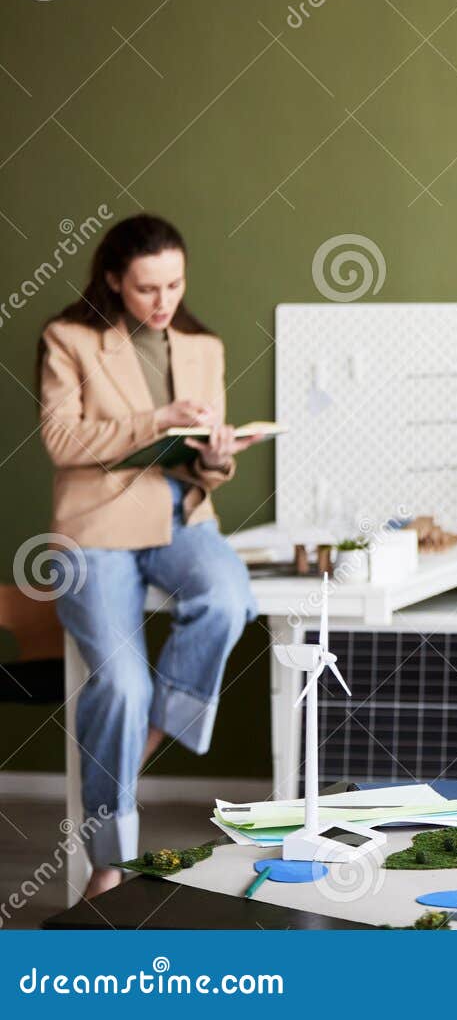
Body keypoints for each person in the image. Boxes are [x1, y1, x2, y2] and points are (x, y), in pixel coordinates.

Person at [37, 213, 261, 898]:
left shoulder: (203, 346)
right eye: (145, 288)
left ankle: (144, 742)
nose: (162, 300)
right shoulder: (68, 338)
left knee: (228, 596)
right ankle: (108, 862)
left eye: (174, 283)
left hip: (180, 515)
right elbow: (61, 441)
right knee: (121, 683)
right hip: (97, 526)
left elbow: (203, 465)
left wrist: (217, 458)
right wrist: (153, 421)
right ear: (112, 279)